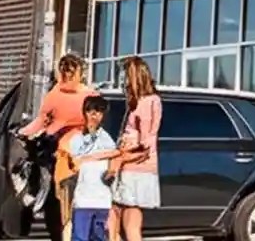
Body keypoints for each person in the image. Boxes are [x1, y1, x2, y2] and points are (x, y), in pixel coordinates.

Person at [18, 54, 99, 241]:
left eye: (69, 72)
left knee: (62, 208)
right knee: (72, 208)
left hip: (65, 157)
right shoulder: (89, 96)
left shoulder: (57, 95)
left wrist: (22, 132)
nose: (67, 76)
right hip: (77, 158)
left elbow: (40, 121)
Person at [109, 57, 161, 241]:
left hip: (134, 169)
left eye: (126, 77)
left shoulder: (146, 103)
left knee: (128, 223)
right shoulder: (144, 101)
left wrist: (121, 158)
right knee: (116, 216)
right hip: (132, 167)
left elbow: (145, 144)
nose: (123, 82)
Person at [66, 96, 118, 241]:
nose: (94, 115)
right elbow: (76, 158)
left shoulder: (107, 138)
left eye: (98, 112)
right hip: (83, 199)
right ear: (84, 113)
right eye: (90, 111)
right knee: (80, 237)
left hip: (102, 199)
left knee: (98, 237)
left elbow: (115, 154)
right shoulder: (76, 138)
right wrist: (91, 134)